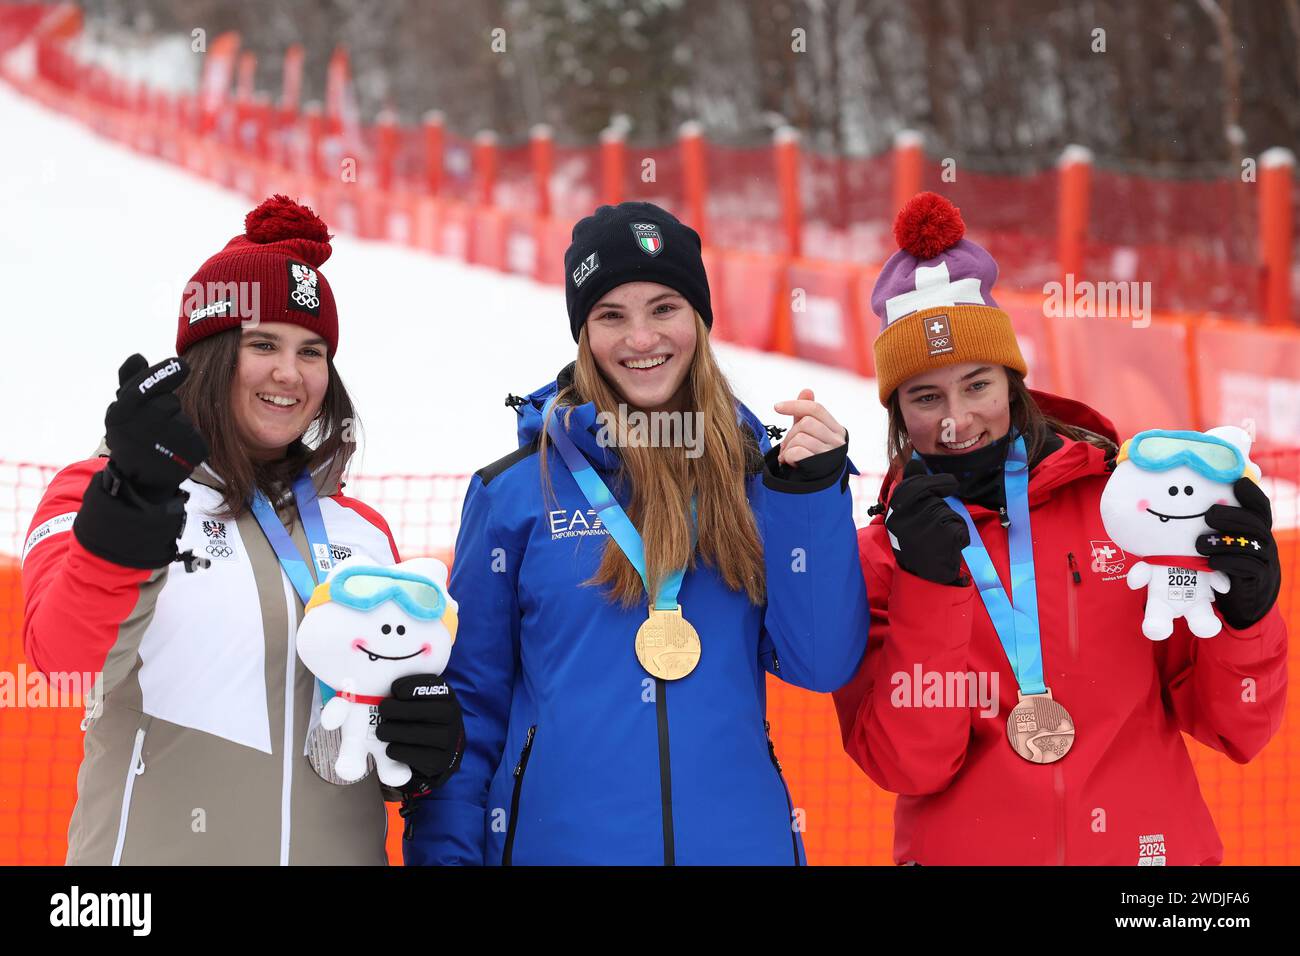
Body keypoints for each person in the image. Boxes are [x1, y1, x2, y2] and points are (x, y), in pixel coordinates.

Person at [404, 201, 869, 865]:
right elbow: (470, 708)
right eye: (611, 315)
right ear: (584, 334)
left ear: (699, 322)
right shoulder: (513, 495)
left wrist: (811, 498)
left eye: (664, 308)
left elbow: (820, 661)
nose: (641, 339)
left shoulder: (756, 482)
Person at [832, 192, 1288, 865]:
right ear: (898, 410)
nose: (956, 418)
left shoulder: (1128, 510)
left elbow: (1237, 728)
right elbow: (909, 766)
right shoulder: (881, 559)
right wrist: (928, 587)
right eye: (926, 396)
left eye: (978, 384)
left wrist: (1246, 620)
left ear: (1013, 384)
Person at [21, 196, 463, 864]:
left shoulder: (361, 529)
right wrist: (131, 506)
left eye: (311, 351)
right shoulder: (99, 487)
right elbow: (62, 665)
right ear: (207, 356)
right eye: (262, 344)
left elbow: (375, 729)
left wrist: (424, 744)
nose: (290, 373)